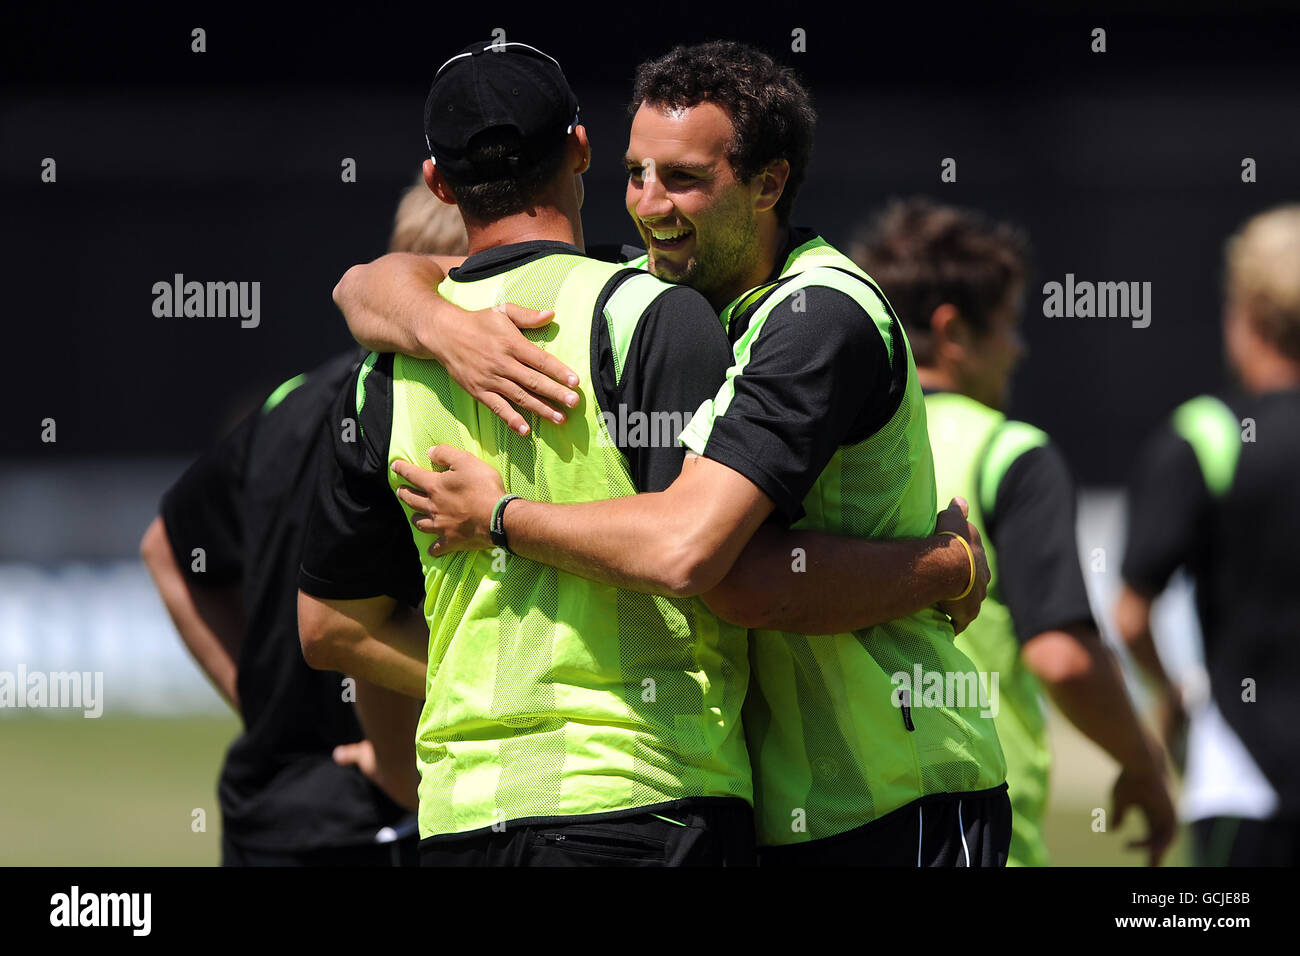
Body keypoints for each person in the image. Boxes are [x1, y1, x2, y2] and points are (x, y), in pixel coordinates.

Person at [337, 41, 1012, 866]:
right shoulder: (657, 292)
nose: (650, 205)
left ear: (769, 183)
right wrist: (448, 330)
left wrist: (502, 518)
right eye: (635, 174)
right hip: (775, 801)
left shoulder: (819, 320)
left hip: (890, 787)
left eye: (684, 179)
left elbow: (727, 572)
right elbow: (370, 282)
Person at [138, 178, 467, 867]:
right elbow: (376, 610)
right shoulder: (431, 415)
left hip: (266, 809)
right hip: (378, 816)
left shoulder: (291, 400)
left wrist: (265, 708)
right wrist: (401, 776)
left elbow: (165, 547)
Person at [852, 198, 1175, 866]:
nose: (1019, 347)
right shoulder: (1008, 451)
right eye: (1006, 325)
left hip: (826, 823)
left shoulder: (833, 444)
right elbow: (1062, 656)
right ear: (953, 331)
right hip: (971, 829)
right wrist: (1145, 762)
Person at [1116, 204, 1300, 867]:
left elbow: (1131, 617)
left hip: (1242, 779)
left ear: (1245, 315)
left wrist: (1174, 699)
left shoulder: (1206, 436)